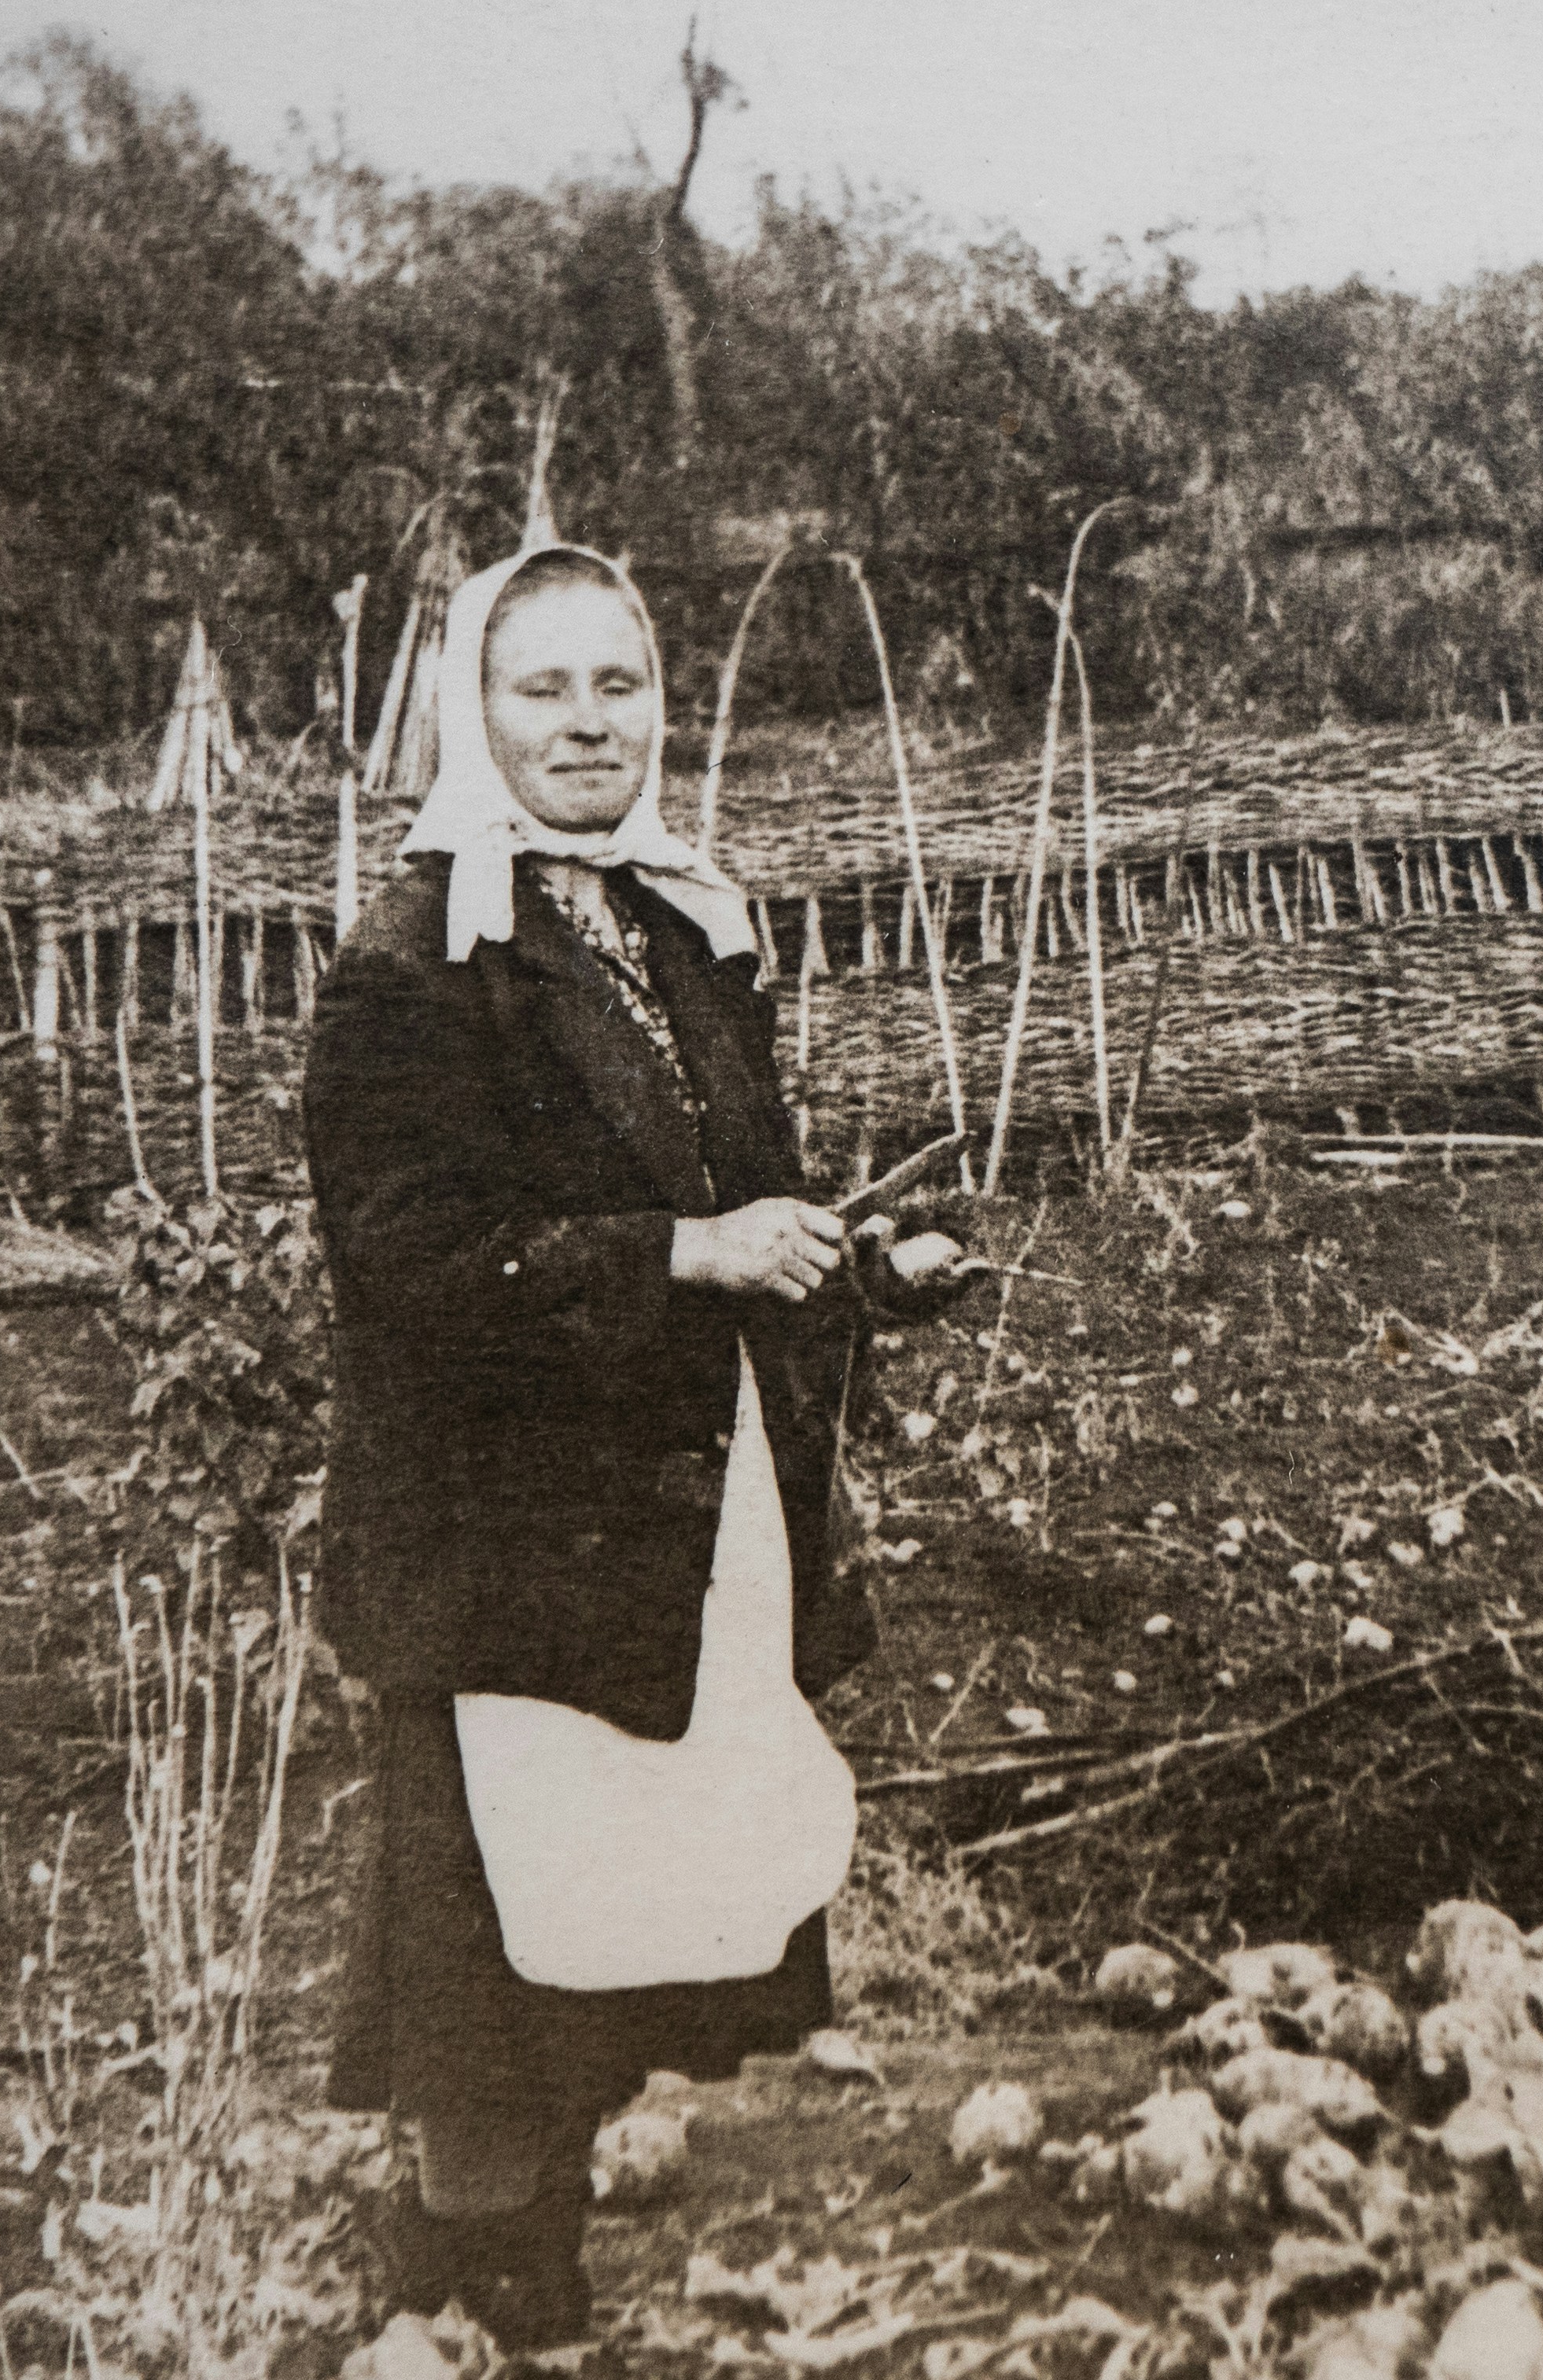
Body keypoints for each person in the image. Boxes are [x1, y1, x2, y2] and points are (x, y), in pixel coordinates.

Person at [304, 543, 962, 2345]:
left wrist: (842, 1252)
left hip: (669, 1492)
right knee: (491, 1907)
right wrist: (684, 1256)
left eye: (619, 686)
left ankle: (532, 2238)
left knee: (624, 1871)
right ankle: (480, 2264)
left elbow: (737, 1186)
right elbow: (414, 1257)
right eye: (546, 689)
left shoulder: (680, 925)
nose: (589, 722)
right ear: (472, 710)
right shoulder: (420, 965)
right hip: (506, 1520)